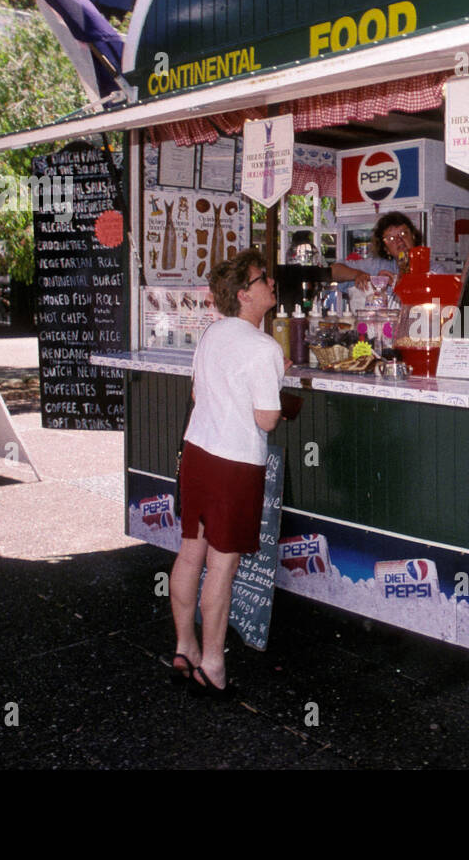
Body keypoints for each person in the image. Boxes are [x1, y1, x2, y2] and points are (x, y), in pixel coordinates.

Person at [170, 250, 283, 697]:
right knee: (222, 566)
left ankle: (185, 646)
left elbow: (200, 394)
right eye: (262, 279)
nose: (270, 283)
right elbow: (268, 419)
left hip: (197, 454)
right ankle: (213, 662)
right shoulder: (263, 347)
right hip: (234, 465)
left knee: (190, 554)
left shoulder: (213, 333)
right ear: (243, 294)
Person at [331, 211, 421, 292]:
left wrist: (399, 285)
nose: (399, 240)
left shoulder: (432, 269)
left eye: (403, 233)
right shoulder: (379, 266)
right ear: (385, 249)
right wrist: (358, 274)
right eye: (391, 238)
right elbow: (333, 271)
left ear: (413, 236)